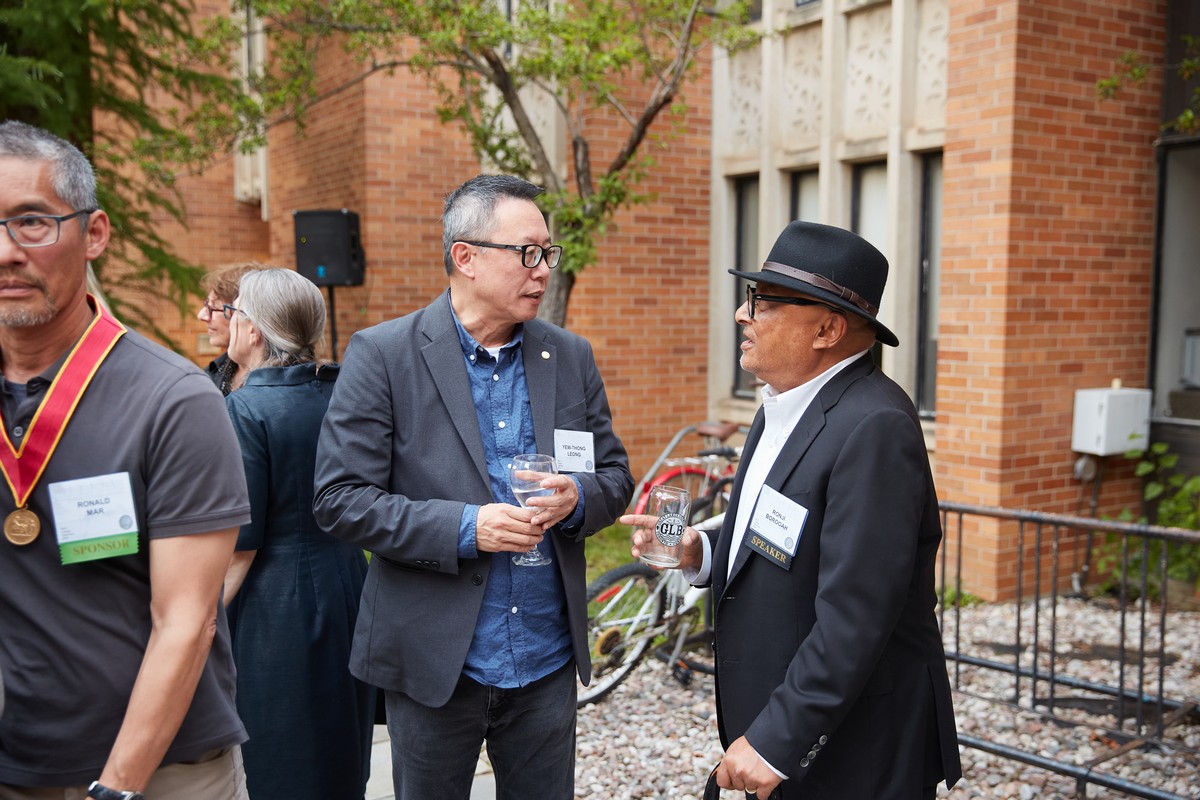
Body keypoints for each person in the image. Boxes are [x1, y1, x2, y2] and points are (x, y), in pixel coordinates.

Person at [313, 173, 634, 799]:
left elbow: (615, 477)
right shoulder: (383, 354)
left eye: (549, 252)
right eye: (527, 252)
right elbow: (341, 499)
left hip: (545, 660)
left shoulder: (570, 357)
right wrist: (469, 528)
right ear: (466, 257)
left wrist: (578, 499)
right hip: (437, 662)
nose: (543, 269)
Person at [628, 221, 962, 800]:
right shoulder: (784, 402)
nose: (741, 313)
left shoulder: (874, 427)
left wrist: (779, 740)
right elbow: (779, 530)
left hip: (852, 749)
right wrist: (701, 549)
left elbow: (856, 616)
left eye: (763, 301)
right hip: (794, 731)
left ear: (828, 328)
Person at [0, 123, 251, 798]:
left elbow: (186, 620)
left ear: (95, 234)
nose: (5, 252)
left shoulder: (172, 401)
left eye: (31, 222)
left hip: (159, 774)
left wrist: (117, 789)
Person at [220, 267, 374, 799]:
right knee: (340, 752)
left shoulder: (245, 410)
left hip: (275, 607)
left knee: (281, 760)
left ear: (256, 329)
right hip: (349, 584)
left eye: (235, 311)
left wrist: (193, 622)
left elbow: (241, 545)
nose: (229, 322)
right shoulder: (345, 395)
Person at [198, 262, 262, 395]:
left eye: (213, 307)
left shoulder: (284, 381)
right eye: (206, 305)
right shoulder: (213, 372)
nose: (202, 315)